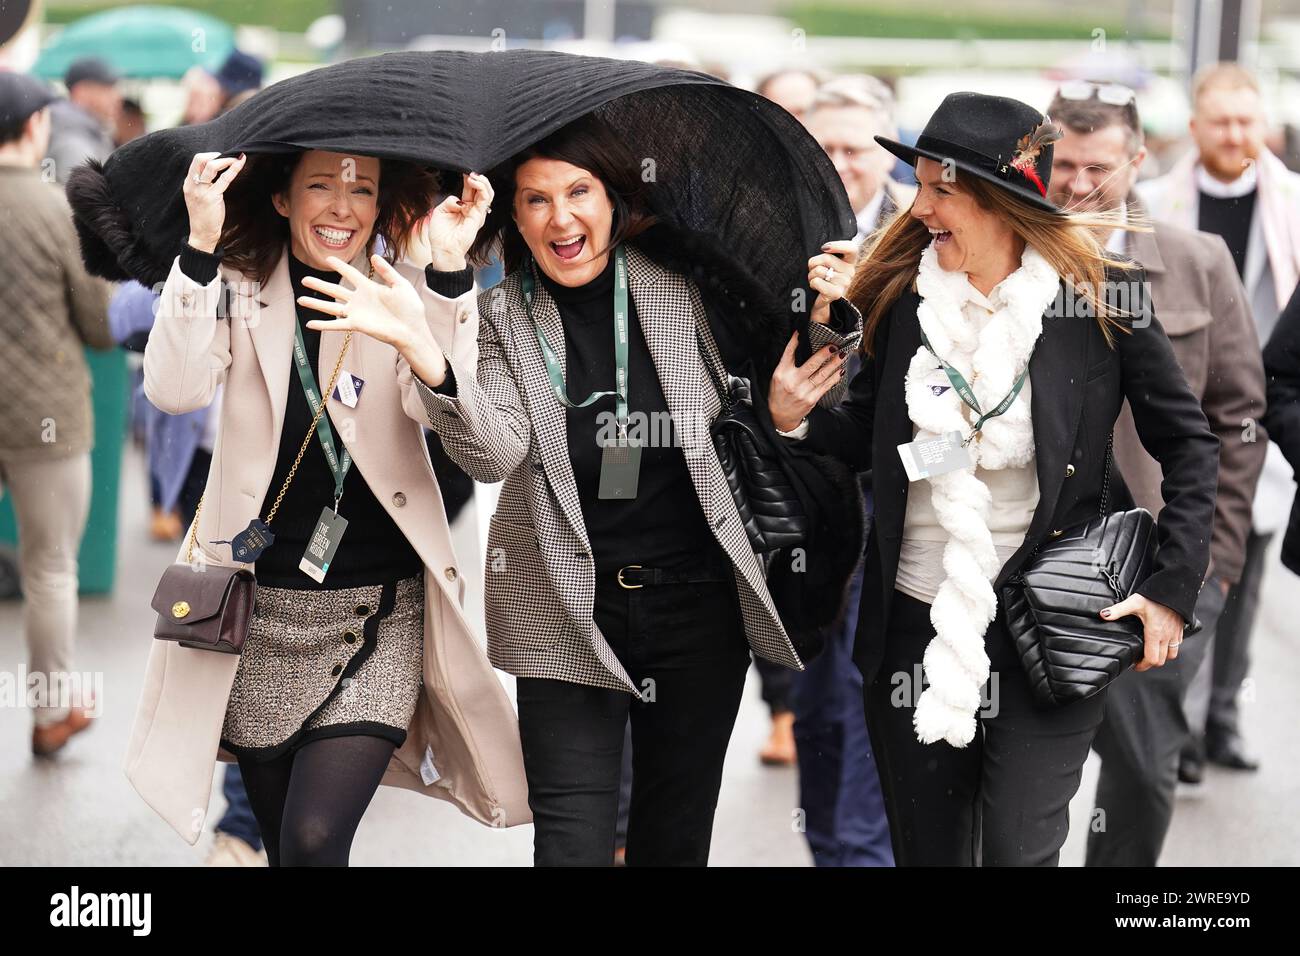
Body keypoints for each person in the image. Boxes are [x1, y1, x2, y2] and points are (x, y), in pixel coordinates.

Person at [299, 115, 861, 866]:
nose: (560, 217)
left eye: (579, 192)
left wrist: (831, 315)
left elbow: (795, 385)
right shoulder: (498, 318)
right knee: (570, 848)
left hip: (697, 610)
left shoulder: (687, 289)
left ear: (614, 201)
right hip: (563, 607)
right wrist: (428, 356)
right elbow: (494, 454)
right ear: (513, 218)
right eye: (535, 200)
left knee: (674, 841)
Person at [768, 91, 1219, 866]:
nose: (919, 209)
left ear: (1004, 201)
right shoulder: (902, 298)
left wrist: (1173, 589)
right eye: (919, 185)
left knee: (1017, 850)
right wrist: (795, 415)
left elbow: (1190, 443)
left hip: (1050, 624)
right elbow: (876, 451)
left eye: (943, 190)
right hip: (917, 626)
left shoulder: (1100, 296)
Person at [128, 147, 528, 865]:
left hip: (378, 615)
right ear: (283, 200)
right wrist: (198, 245)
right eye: (321, 185)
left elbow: (461, 428)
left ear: (381, 207)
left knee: (315, 839)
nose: (342, 206)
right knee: (288, 846)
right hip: (256, 612)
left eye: (362, 190)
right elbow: (176, 390)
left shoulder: (401, 284)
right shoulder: (240, 282)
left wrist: (441, 280)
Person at [1046, 82, 1267, 865]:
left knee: (1141, 764)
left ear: (1138, 160)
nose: (1078, 184)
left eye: (1098, 166)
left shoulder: (1198, 261)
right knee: (1016, 761)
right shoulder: (1013, 259)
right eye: (1063, 164)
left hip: (1163, 564)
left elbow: (1240, 417)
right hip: (1032, 558)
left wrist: (1215, 562)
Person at [1138, 62, 1300, 776]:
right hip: (1182, 402)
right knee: (1185, 560)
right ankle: (1178, 722)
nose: (1238, 134)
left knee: (1243, 565)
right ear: (1195, 126)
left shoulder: (1293, 202)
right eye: (1223, 121)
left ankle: (1223, 713)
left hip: (1264, 406)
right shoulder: (1155, 205)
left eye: (1248, 120)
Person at [791, 73, 910, 867]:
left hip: (896, 501)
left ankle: (862, 854)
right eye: (824, 147)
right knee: (816, 702)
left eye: (854, 148)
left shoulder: (922, 232)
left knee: (872, 697)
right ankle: (829, 845)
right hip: (804, 501)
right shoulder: (779, 224)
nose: (839, 163)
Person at [0, 72, 114, 755]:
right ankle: (48, 717)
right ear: (36, 128)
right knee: (49, 569)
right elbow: (100, 327)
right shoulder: (53, 211)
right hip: (45, 418)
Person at [45, 57, 120, 184]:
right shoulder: (72, 141)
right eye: (107, 89)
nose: (117, 97)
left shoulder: (86, 132)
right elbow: (82, 202)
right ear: (81, 92)